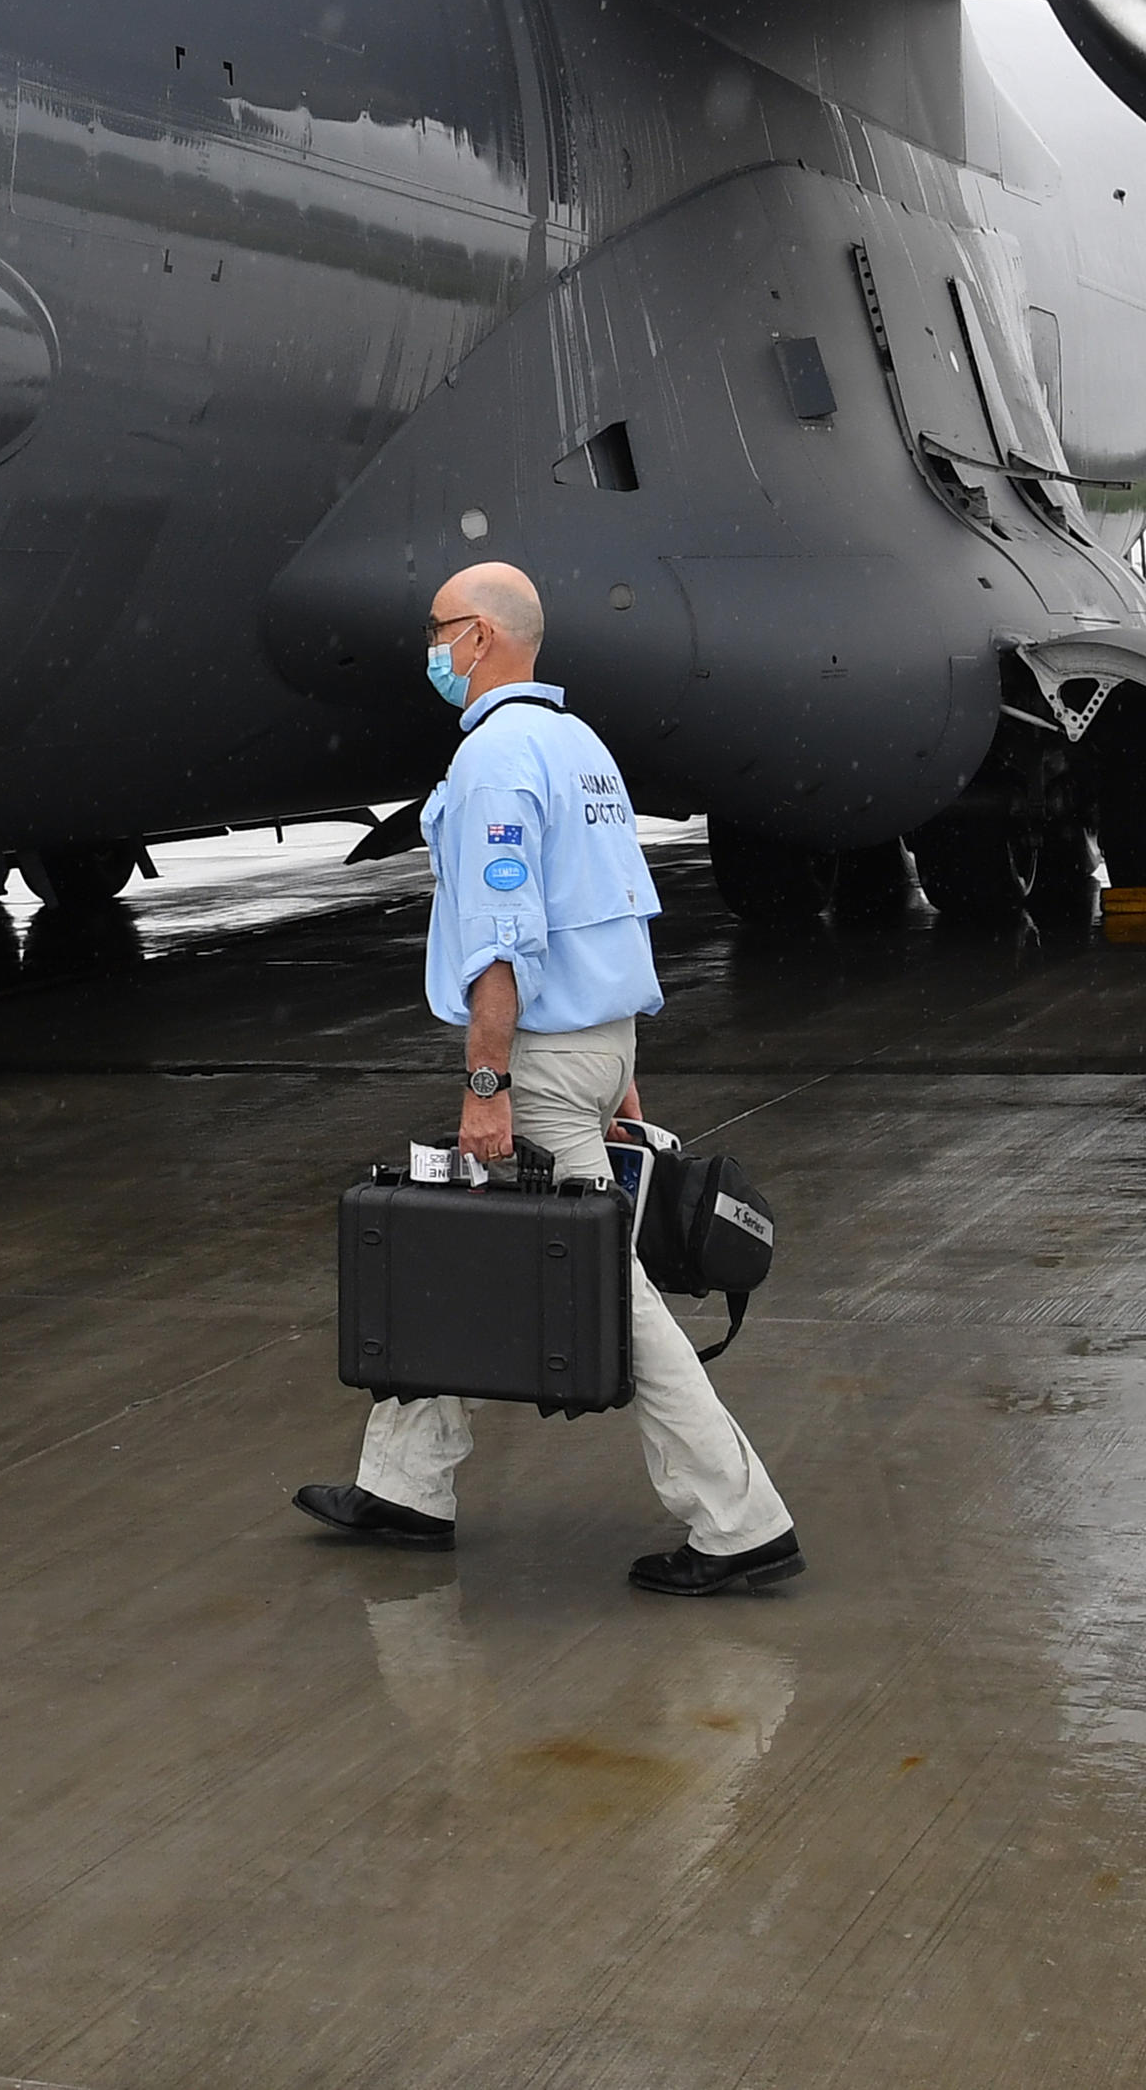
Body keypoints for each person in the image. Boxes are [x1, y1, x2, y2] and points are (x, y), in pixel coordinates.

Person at [292, 562, 804, 1591]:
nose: (429, 650)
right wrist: (620, 1074)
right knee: (443, 1250)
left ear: (477, 636)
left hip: (534, 1059)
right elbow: (613, 908)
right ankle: (404, 1484)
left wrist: (486, 1087)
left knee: (613, 1303)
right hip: (596, 1041)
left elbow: (500, 938)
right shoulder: (581, 750)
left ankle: (739, 1522)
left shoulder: (494, 756)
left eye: (438, 630)